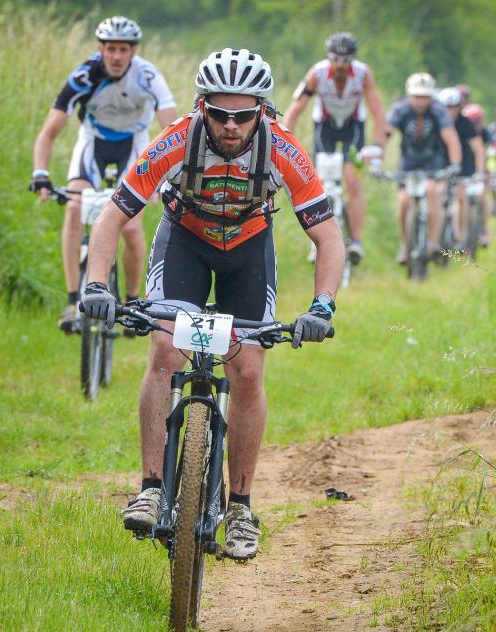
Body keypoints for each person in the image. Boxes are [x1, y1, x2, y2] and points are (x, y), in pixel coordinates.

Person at [80, 48, 344, 561]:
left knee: (247, 367)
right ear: (202, 106)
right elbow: (113, 216)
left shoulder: (283, 148)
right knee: (165, 350)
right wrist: (95, 286)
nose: (230, 126)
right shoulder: (177, 139)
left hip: (249, 250)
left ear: (263, 110)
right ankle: (151, 489)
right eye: (219, 114)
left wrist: (322, 307)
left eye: (243, 115)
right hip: (185, 242)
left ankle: (240, 507)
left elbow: (328, 237)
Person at [30, 16, 179, 332]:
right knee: (74, 208)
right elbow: (49, 131)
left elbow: (173, 131)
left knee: (131, 226)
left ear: (133, 51)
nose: (116, 56)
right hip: (93, 142)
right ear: (100, 49)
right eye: (110, 49)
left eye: (123, 49)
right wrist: (40, 173)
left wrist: (164, 181)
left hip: (134, 143)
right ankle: (73, 300)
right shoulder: (84, 76)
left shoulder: (148, 76)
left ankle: (133, 301)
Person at [283, 32, 387, 265]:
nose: (340, 65)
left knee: (353, 180)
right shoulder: (317, 73)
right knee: (318, 183)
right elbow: (296, 108)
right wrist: (285, 141)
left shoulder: (363, 74)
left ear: (353, 59)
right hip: (325, 126)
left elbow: (378, 110)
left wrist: (378, 146)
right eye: (336, 59)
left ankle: (356, 242)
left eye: (345, 60)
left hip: (353, 127)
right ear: (328, 57)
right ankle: (316, 240)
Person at [384, 72, 462, 264]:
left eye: (425, 97)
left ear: (431, 96)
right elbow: (386, 133)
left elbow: (451, 138)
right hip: (408, 159)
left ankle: (433, 242)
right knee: (403, 201)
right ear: (409, 94)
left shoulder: (438, 110)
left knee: (431, 191)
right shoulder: (400, 109)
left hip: (431, 159)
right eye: (417, 96)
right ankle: (405, 244)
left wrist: (455, 164)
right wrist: (377, 155)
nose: (421, 101)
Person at [436, 87, 484, 251]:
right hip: (439, 164)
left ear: (459, 107)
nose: (450, 111)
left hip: (463, 166)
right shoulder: (434, 121)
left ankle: (460, 236)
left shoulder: (466, 124)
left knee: (460, 196)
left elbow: (478, 149)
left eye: (453, 107)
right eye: (446, 107)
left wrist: (479, 172)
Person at [463, 103, 496, 247]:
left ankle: (483, 230)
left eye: (477, 121)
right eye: (471, 122)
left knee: (482, 198)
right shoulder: (460, 130)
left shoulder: (486, 133)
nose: (474, 125)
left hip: (481, 170)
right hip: (463, 169)